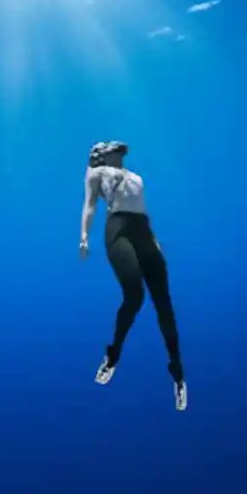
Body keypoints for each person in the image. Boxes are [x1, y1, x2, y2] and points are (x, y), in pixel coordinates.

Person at [79, 141, 187, 410]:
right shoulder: (96, 173)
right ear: (102, 155)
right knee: (135, 295)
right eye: (110, 150)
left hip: (143, 230)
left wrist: (153, 241)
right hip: (118, 227)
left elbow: (142, 208)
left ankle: (178, 375)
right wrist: (83, 236)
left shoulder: (135, 176)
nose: (118, 153)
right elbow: (90, 205)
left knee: (164, 303)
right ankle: (112, 356)